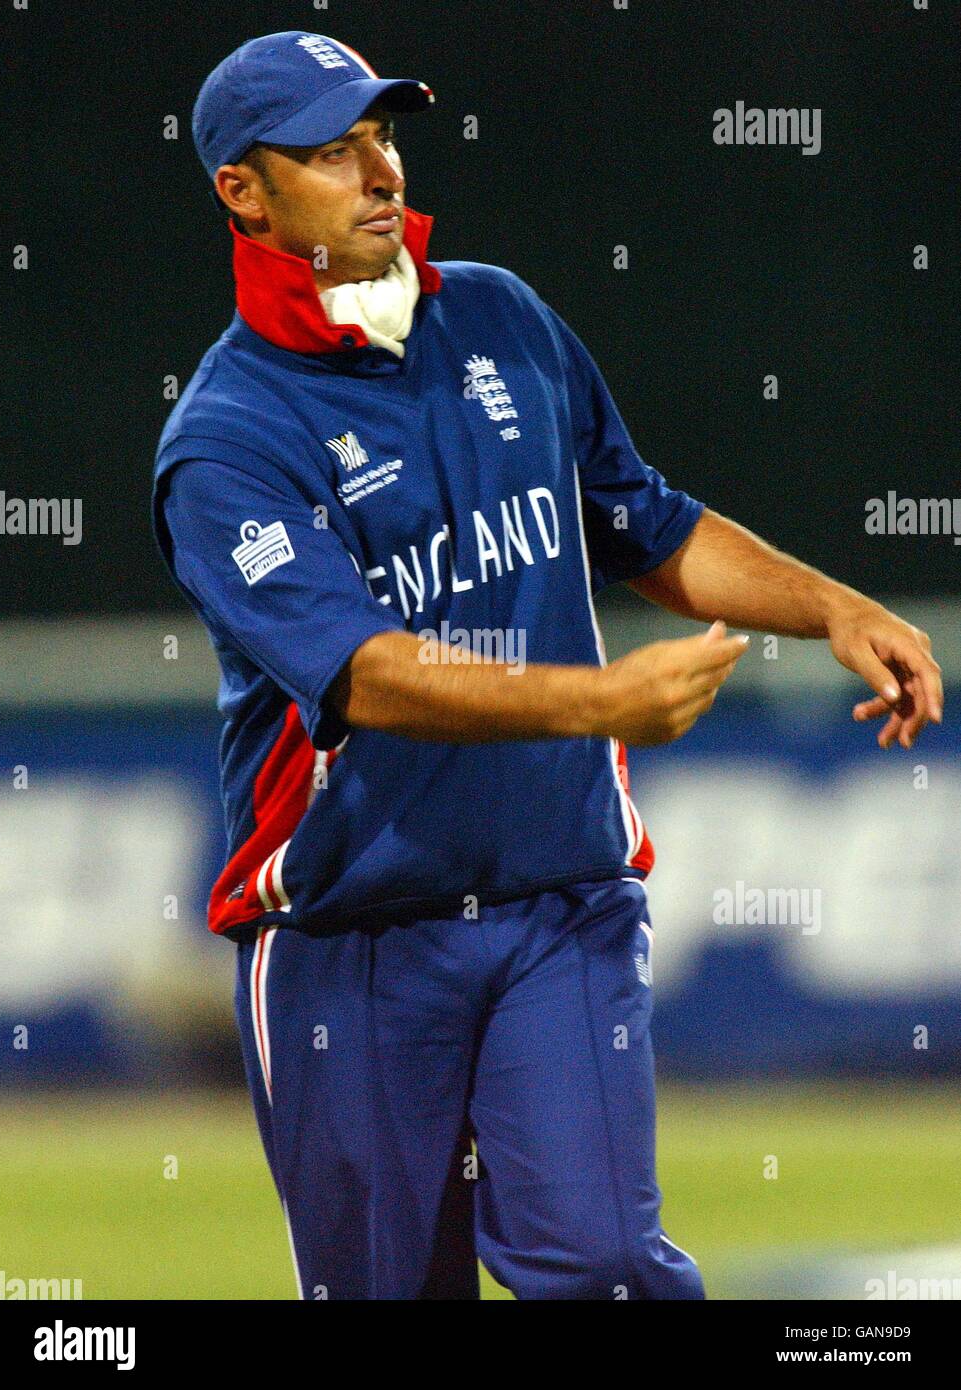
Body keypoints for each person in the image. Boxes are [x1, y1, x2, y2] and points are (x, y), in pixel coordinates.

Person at [152, 31, 943, 1300]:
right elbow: (364, 675)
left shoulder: (502, 317)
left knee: (606, 1268)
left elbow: (645, 520)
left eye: (381, 140)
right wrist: (604, 701)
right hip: (350, 928)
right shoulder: (227, 442)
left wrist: (831, 605)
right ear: (241, 192)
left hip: (555, 895)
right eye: (327, 153)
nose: (377, 175)